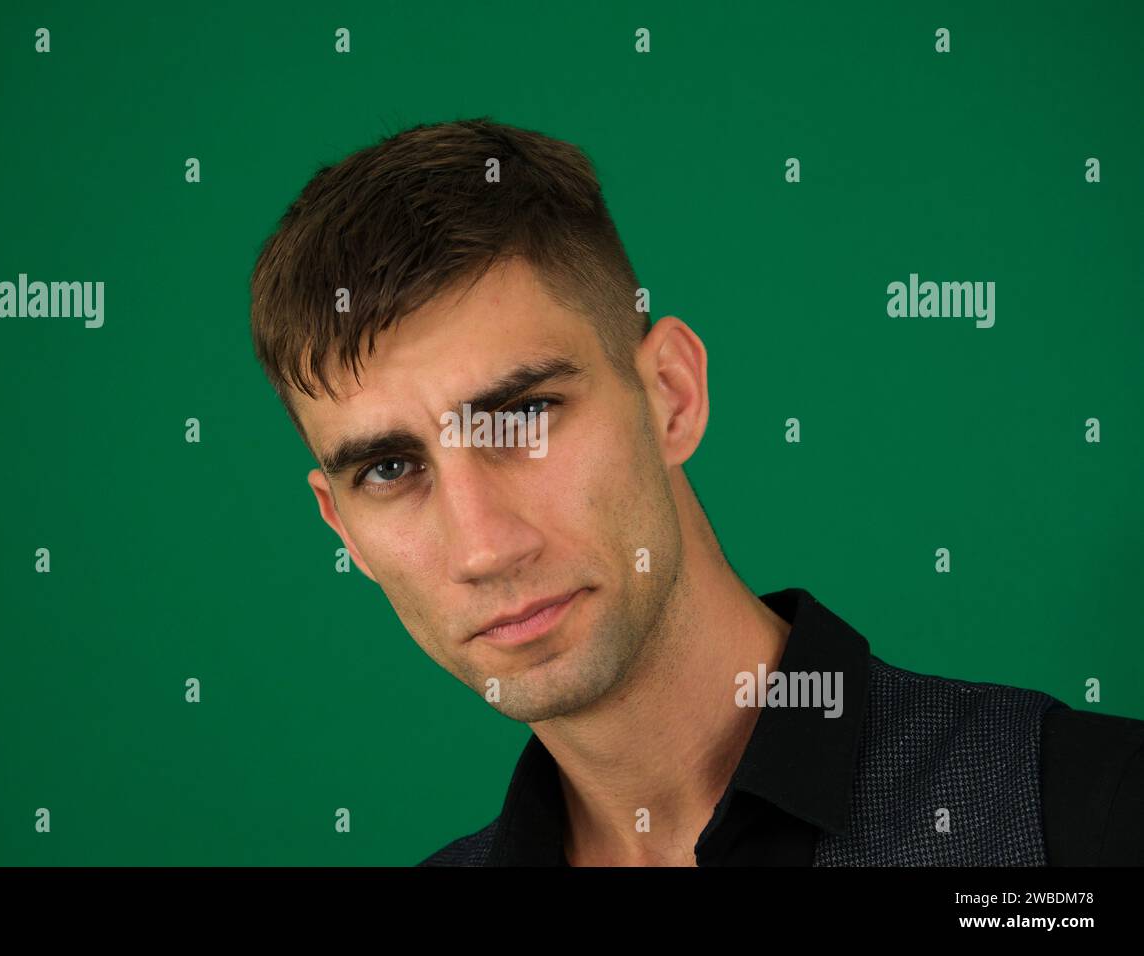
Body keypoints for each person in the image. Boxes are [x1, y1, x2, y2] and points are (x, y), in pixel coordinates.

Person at [248, 117, 1144, 866]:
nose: (484, 546)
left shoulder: (1083, 815)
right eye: (392, 470)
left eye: (522, 417)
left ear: (671, 395)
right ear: (346, 532)